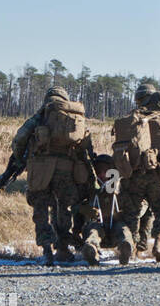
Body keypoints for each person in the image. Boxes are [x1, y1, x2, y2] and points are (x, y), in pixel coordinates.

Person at [10, 86, 99, 266]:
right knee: (64, 209)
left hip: (41, 169)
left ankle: (47, 250)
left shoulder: (42, 115)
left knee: (41, 208)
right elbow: (86, 145)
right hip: (67, 170)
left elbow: (20, 138)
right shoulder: (75, 117)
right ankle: (63, 250)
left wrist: (20, 158)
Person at [109, 88, 160, 265]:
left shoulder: (131, 118)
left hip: (132, 175)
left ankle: (129, 244)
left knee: (131, 214)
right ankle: (159, 243)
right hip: (158, 175)